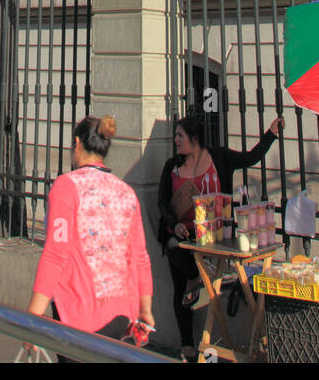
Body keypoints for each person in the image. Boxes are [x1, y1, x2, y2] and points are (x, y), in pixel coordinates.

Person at [158, 110, 284, 361]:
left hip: (213, 235)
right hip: (181, 234)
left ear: (194, 138)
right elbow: (162, 202)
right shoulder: (172, 166)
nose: (176, 140)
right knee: (178, 267)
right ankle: (186, 343)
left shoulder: (220, 157)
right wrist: (175, 224)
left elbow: (250, 158)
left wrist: (270, 134)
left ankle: (197, 280)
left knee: (187, 274)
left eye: (180, 136)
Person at [26, 115, 154, 362]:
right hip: (122, 314)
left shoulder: (66, 186)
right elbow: (140, 256)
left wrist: (33, 316)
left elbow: (55, 254)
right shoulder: (126, 193)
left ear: (77, 143)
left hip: (78, 313)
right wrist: (145, 308)